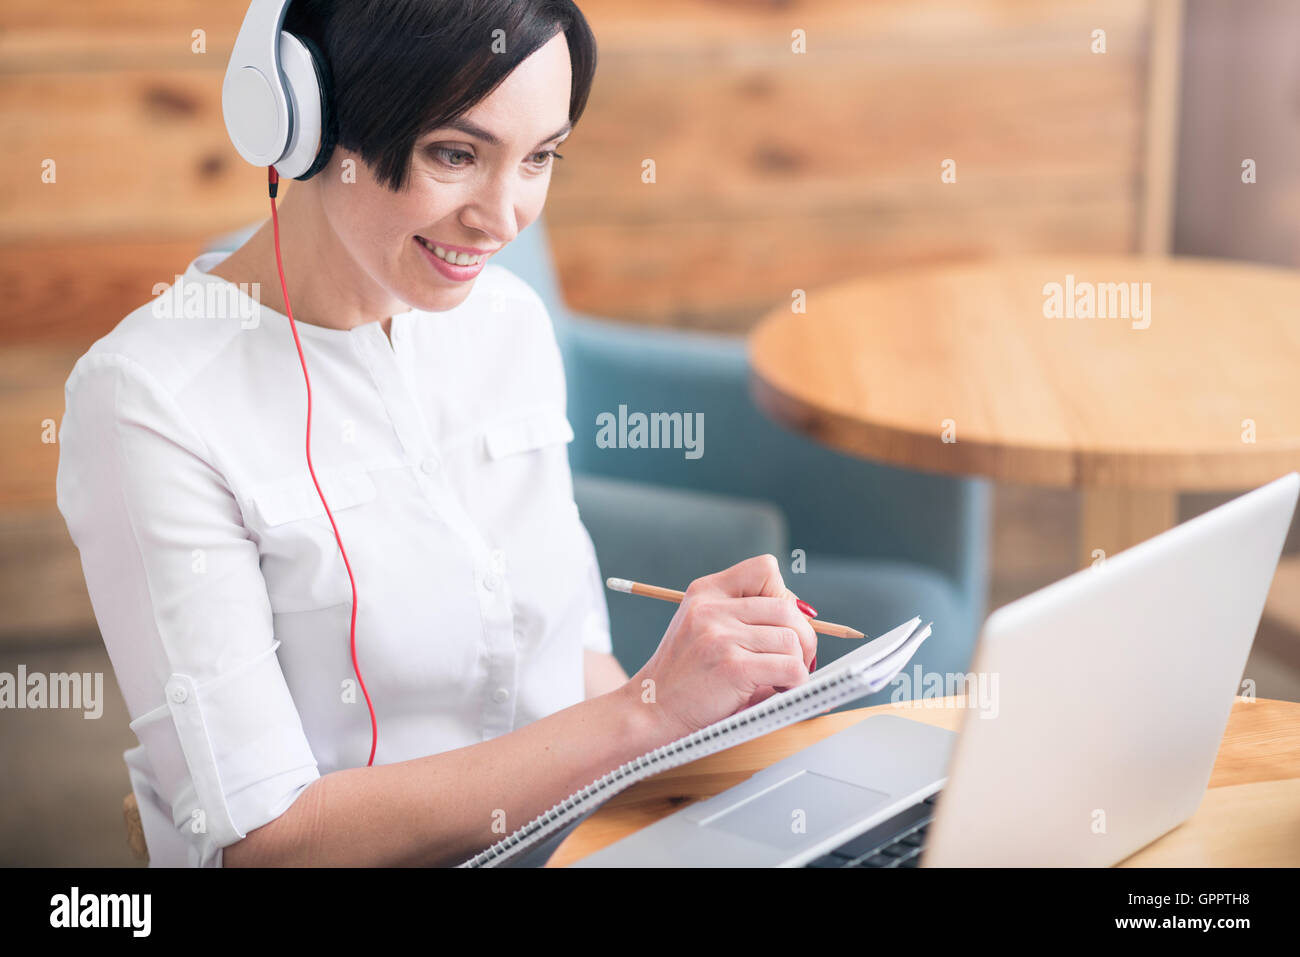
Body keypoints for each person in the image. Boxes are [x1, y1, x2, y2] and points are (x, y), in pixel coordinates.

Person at [54, 0, 816, 867]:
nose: (503, 218)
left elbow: (574, 670)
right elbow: (265, 842)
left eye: (540, 158)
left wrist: (700, 697)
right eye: (456, 154)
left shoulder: (508, 325)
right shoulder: (150, 400)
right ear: (303, 119)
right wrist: (643, 712)